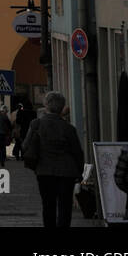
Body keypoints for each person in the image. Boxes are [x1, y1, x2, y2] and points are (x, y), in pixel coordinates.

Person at [21, 91, 85, 227]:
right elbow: (77, 152)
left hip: (44, 171)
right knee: (65, 206)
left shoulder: (36, 124)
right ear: (62, 108)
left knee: (48, 205)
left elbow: (25, 146)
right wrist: (80, 173)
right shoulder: (69, 128)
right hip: (66, 172)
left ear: (46, 105)